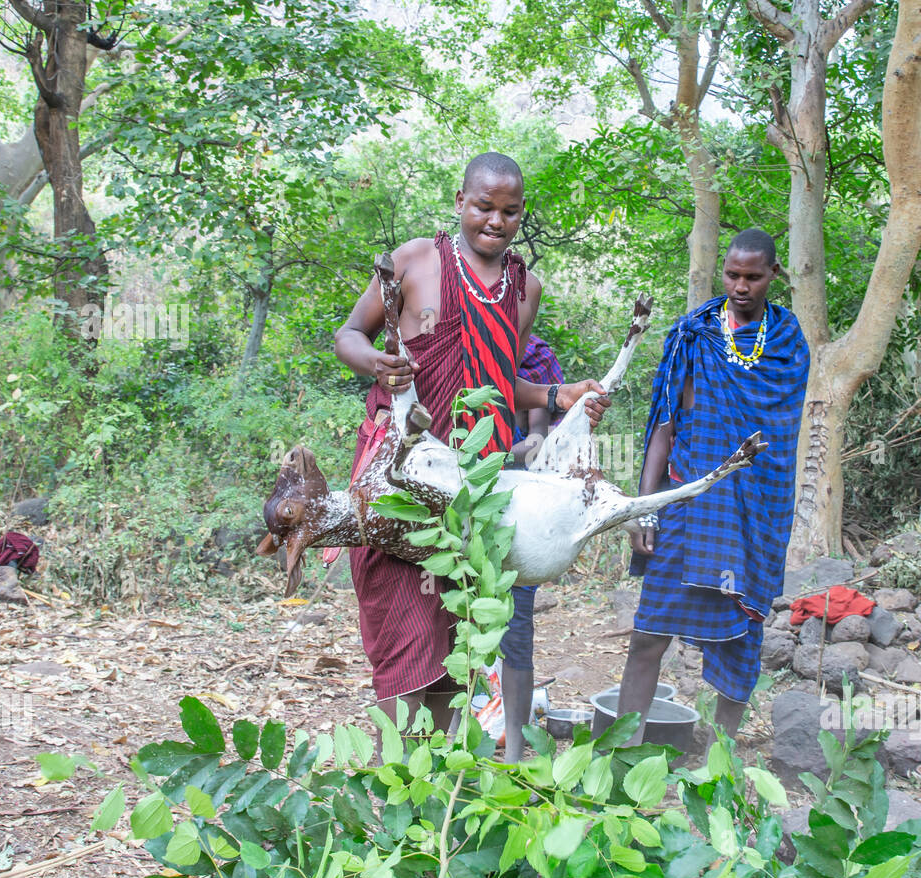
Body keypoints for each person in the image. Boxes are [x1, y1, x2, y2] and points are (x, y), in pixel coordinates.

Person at [333, 152, 610, 730]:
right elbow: (349, 335)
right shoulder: (413, 261)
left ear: (520, 216)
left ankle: (436, 785)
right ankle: (397, 782)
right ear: (461, 202)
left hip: (473, 487)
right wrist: (379, 365)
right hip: (402, 477)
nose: (495, 221)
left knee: (456, 639)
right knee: (403, 626)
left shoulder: (524, 288)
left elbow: (497, 380)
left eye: (510, 212)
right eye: (483, 206)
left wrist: (559, 397)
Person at [615, 228, 809, 747]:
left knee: (742, 636)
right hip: (687, 506)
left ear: (773, 275)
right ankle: (621, 754)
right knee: (648, 634)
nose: (740, 286)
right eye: (732, 274)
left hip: (749, 515)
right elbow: (663, 425)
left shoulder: (787, 345)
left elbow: (781, 444)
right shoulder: (693, 336)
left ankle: (718, 757)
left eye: (752, 276)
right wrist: (643, 508)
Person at [498, 333, 566, 762]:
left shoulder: (532, 358)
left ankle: (514, 750)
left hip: (514, 509)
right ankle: (448, 742)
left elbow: (538, 440)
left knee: (516, 629)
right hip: (455, 504)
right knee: (450, 627)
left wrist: (496, 454)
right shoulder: (455, 343)